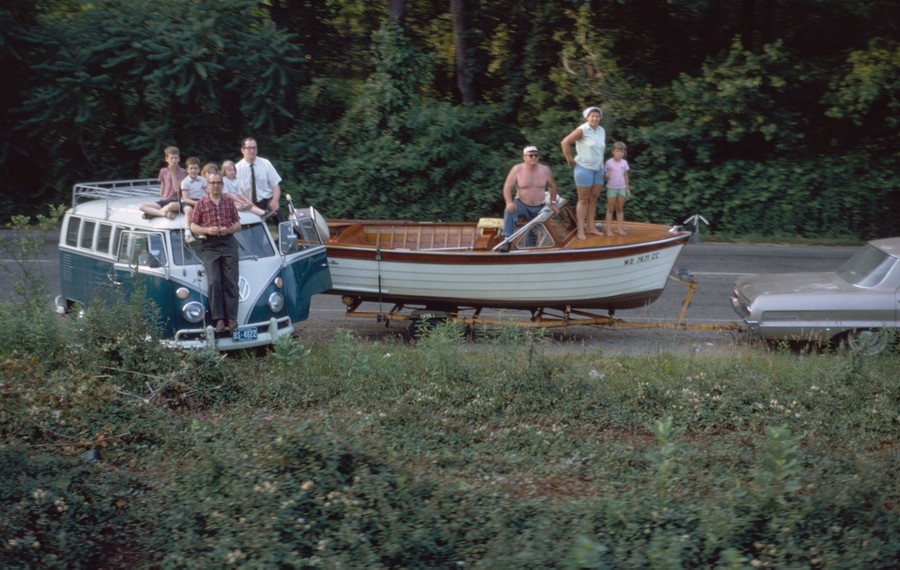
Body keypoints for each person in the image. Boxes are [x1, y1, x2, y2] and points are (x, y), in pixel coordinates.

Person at [190, 171, 242, 334]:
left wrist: (230, 229)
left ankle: (231, 318)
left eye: (218, 182)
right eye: (213, 183)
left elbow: (238, 224)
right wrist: (207, 230)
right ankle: (219, 319)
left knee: (231, 281)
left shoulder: (228, 202)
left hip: (228, 242)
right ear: (208, 185)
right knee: (213, 281)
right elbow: (193, 226)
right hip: (210, 244)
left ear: (222, 184)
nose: (216, 185)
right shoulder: (201, 203)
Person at [498, 145, 559, 252]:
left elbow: (552, 186)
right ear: (524, 157)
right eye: (530, 155)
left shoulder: (545, 170)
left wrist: (553, 203)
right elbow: (507, 186)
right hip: (521, 203)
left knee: (532, 234)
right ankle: (507, 240)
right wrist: (509, 202)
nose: (533, 158)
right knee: (509, 211)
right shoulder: (517, 169)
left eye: (536, 155)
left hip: (540, 206)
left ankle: (528, 251)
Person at [560, 106, 606, 240]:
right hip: (584, 169)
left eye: (597, 116)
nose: (595, 118)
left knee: (594, 198)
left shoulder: (601, 130)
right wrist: (569, 159)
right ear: (587, 117)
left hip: (599, 169)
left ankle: (591, 227)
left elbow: (599, 150)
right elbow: (565, 142)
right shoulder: (582, 130)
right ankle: (580, 230)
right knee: (583, 200)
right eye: (592, 116)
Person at [235, 137, 282, 223]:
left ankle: (287, 235)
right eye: (249, 148)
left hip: (267, 200)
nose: (252, 150)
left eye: (254, 148)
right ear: (242, 150)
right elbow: (235, 192)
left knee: (277, 212)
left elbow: (275, 185)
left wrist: (275, 200)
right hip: (249, 204)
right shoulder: (236, 169)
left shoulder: (266, 163)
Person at [139, 146, 185, 219]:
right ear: (167, 159)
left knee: (173, 206)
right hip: (163, 201)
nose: (174, 160)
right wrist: (161, 197)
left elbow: (177, 189)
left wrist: (172, 173)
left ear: (179, 159)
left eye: (176, 158)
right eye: (171, 158)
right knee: (141, 206)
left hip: (175, 201)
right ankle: (164, 214)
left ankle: (152, 214)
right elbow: (162, 186)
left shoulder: (182, 172)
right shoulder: (163, 171)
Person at [604, 141, 631, 236]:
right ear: (613, 151)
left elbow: (625, 176)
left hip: (622, 188)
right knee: (610, 209)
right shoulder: (608, 163)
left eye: (622, 151)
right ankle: (608, 230)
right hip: (611, 188)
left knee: (619, 209)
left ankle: (620, 228)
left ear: (624, 153)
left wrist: (627, 188)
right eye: (618, 151)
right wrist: (606, 176)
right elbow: (605, 177)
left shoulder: (624, 163)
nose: (620, 153)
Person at [180, 157, 207, 243]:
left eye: (195, 168)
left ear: (199, 169)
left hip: (199, 200)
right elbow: (185, 198)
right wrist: (197, 203)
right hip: (187, 201)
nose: (193, 170)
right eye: (191, 168)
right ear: (187, 170)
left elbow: (208, 193)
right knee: (189, 210)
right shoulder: (185, 182)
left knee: (204, 211)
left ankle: (198, 231)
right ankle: (187, 232)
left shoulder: (202, 180)